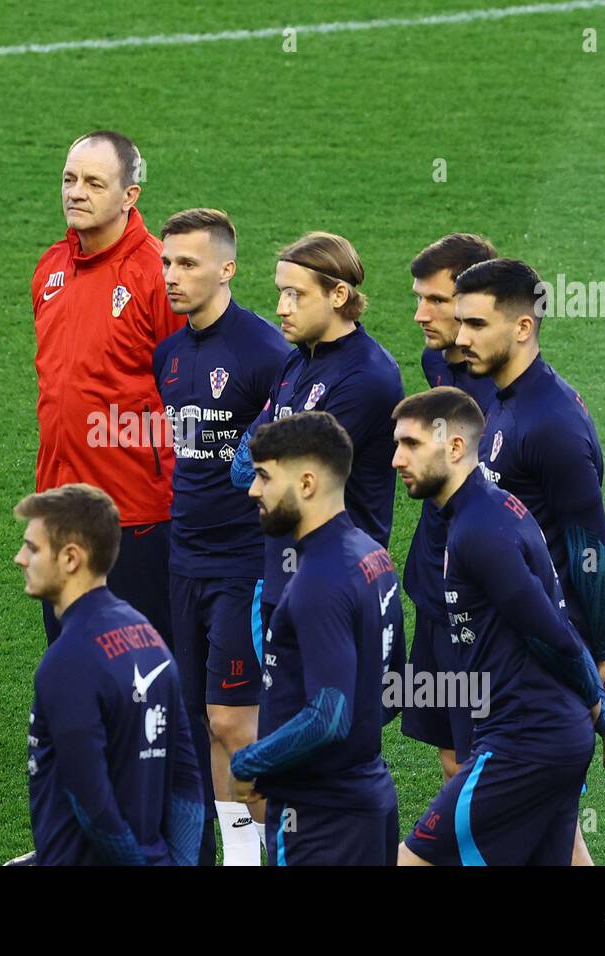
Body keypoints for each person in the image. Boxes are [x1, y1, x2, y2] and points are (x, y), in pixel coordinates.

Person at [390, 389, 605, 867]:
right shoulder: (496, 508)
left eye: (411, 444)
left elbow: (554, 632)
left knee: (410, 861)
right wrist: (602, 720)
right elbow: (558, 620)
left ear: (456, 448)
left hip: (522, 746)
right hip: (551, 738)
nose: (397, 458)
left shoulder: (479, 532)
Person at [453, 258, 605, 864]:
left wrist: (598, 652)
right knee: (554, 835)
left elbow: (592, 551)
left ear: (523, 326)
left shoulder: (550, 420)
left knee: (518, 835)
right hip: (512, 649)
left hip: (545, 657)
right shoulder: (505, 402)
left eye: (476, 324)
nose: (460, 338)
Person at [152, 208, 290, 864]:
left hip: (245, 561)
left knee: (236, 722)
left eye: (187, 264)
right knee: (203, 725)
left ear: (227, 268)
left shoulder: (267, 353)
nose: (171, 277)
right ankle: (238, 859)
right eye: (166, 262)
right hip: (185, 559)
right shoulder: (170, 355)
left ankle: (276, 850)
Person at [31, 130, 184, 646]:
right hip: (60, 505)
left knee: (143, 663)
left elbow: (189, 396)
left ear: (129, 196)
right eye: (69, 179)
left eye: (94, 182)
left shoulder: (158, 276)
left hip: (135, 514)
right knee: (70, 657)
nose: (76, 192)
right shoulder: (50, 269)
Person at [230, 412, 401, 866]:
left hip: (320, 819)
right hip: (368, 799)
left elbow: (329, 716)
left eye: (265, 476)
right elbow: (391, 688)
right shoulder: (372, 556)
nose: (253, 490)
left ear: (307, 483)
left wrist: (251, 761)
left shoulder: (318, 582)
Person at [230, 232, 403, 656]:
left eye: (295, 295)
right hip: (278, 573)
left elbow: (296, 479)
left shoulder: (367, 378)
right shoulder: (296, 360)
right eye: (280, 293)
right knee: (279, 715)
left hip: (336, 584)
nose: (280, 308)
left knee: (333, 716)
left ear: (338, 294)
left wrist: (266, 453)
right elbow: (242, 471)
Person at [15, 484, 203, 865]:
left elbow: (92, 802)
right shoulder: (149, 638)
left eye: (32, 548)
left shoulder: (66, 663)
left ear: (71, 558)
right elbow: (187, 780)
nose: (20, 558)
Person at [400, 233, 499, 780]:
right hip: (434, 589)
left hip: (483, 604)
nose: (420, 314)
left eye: (435, 300)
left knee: (495, 767)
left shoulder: (507, 393)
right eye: (418, 297)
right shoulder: (436, 364)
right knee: (453, 759)